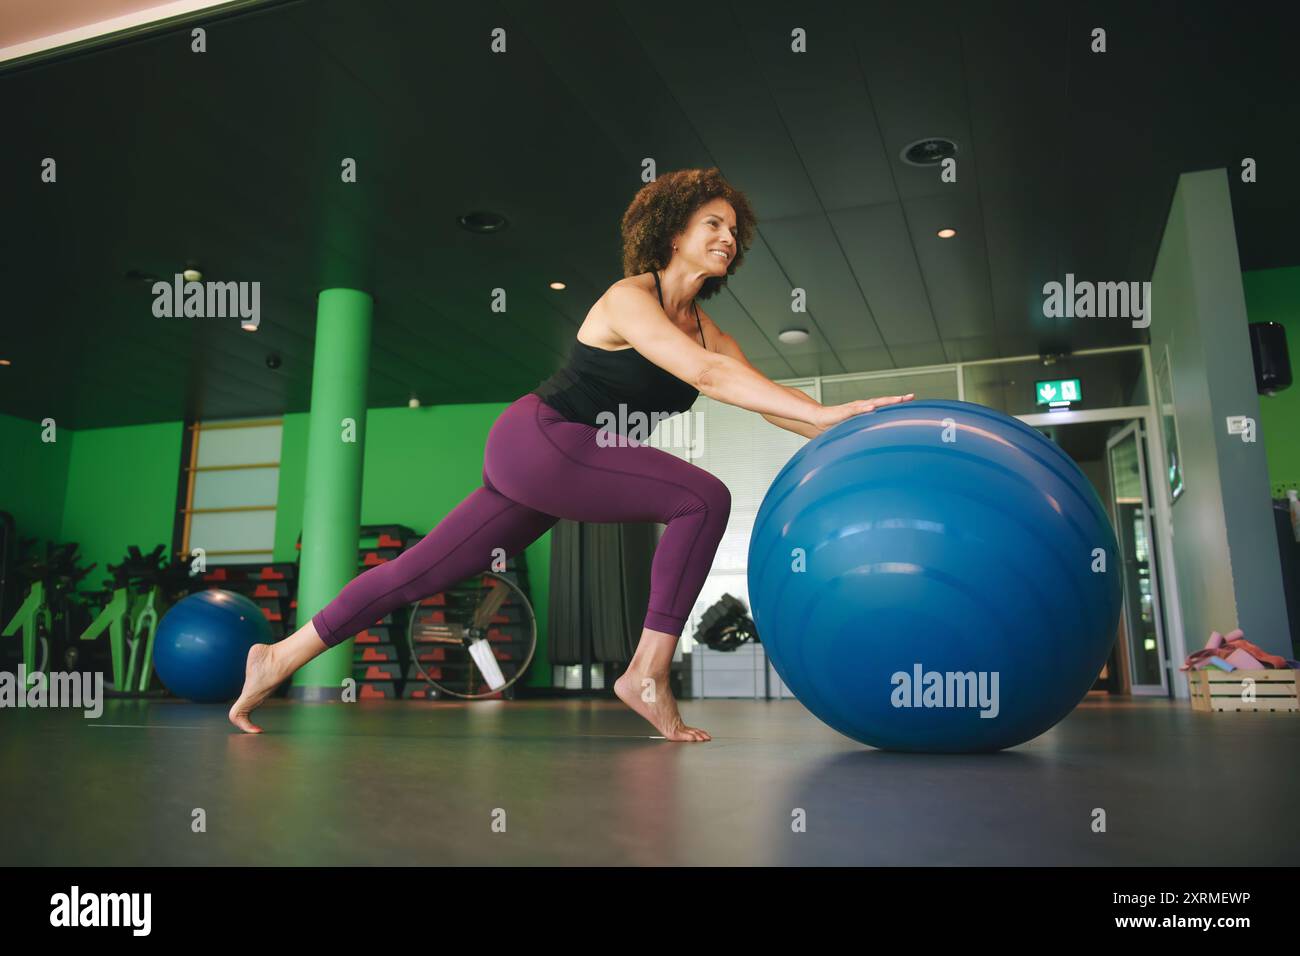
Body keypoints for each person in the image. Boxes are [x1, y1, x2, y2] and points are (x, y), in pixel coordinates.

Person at [229, 167, 913, 740]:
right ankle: (646, 672)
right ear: (673, 230)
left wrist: (854, 430)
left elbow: (764, 397)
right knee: (704, 498)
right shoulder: (628, 298)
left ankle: (277, 656)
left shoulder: (709, 331)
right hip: (542, 440)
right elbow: (708, 380)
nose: (728, 237)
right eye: (713, 222)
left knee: (416, 572)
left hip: (555, 461)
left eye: (734, 229)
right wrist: (821, 412)